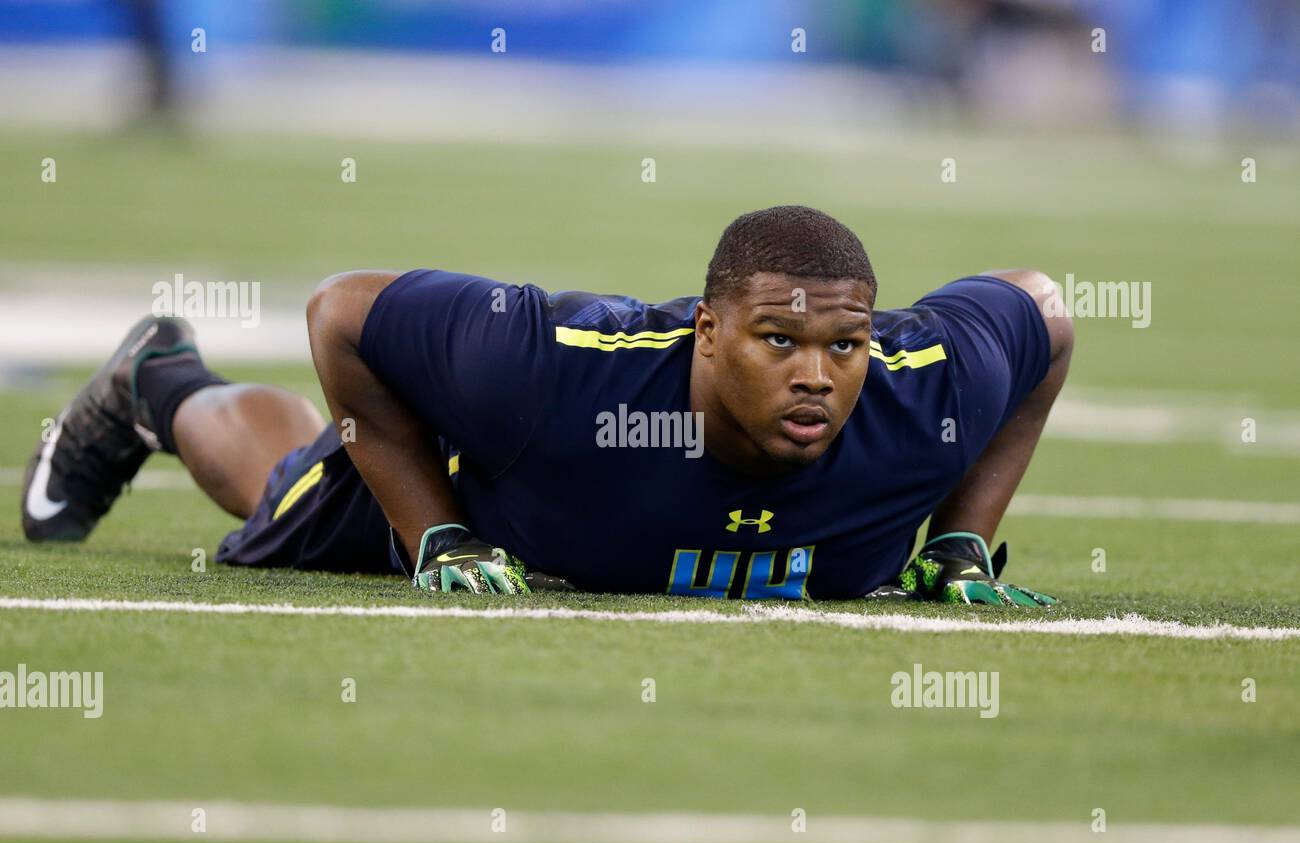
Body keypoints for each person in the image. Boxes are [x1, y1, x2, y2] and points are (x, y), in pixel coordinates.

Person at [21, 206, 1071, 604]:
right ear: (708, 334)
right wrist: (434, 528)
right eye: (779, 341)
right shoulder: (552, 371)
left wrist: (961, 541)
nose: (817, 375)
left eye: (844, 344)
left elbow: (1045, 314)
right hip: (487, 497)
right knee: (284, 491)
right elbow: (341, 313)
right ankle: (162, 380)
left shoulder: (927, 380)